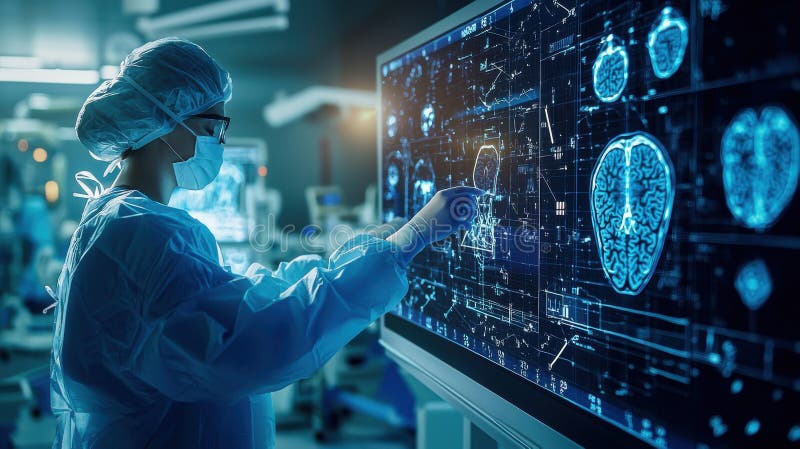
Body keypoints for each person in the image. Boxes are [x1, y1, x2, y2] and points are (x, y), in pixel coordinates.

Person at [50, 37, 482, 449]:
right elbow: (262, 341)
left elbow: (241, 301)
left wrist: (354, 252)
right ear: (169, 120)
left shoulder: (112, 220)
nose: (220, 142)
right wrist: (410, 240)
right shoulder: (148, 232)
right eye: (214, 126)